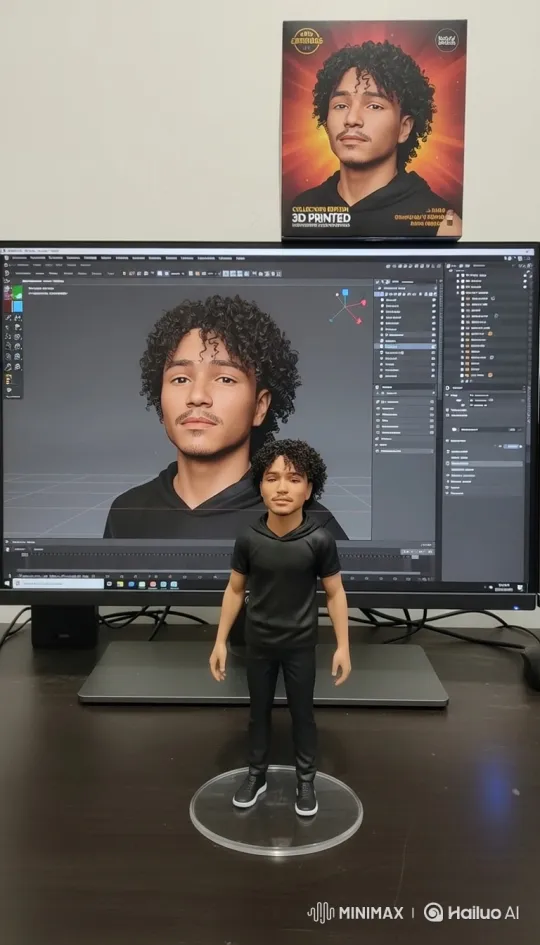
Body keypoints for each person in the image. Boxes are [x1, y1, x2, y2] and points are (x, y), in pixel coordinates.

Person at [103, 294, 348, 540]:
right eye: (180, 379)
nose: (197, 396)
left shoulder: (309, 526)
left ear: (259, 407)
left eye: (225, 379)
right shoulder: (126, 514)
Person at [209, 439, 352, 816]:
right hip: (258, 643)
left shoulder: (320, 540)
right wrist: (220, 641)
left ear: (309, 488)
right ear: (259, 485)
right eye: (272, 478)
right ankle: (256, 774)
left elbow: (335, 594)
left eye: (293, 478)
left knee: (302, 714)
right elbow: (235, 589)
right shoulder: (249, 538)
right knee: (258, 712)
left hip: (301, 645)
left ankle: (306, 780)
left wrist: (343, 646)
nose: (282, 487)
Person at [286, 40, 462, 238]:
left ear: (404, 128)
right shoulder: (303, 209)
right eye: (340, 106)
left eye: (374, 106)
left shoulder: (441, 224)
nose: (351, 119)